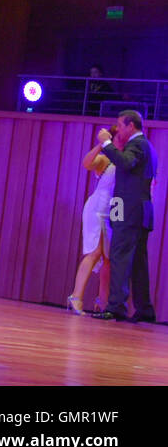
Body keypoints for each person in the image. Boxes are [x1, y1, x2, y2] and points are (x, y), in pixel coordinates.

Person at [92, 110, 157, 323]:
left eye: (120, 125)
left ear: (131, 126)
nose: (117, 128)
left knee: (119, 256)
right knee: (138, 262)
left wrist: (106, 144)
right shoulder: (148, 147)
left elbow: (125, 163)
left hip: (129, 211)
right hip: (136, 210)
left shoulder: (137, 145)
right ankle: (144, 310)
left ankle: (116, 307)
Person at [68, 129, 115, 314]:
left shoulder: (126, 159)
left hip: (114, 208)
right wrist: (101, 144)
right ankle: (76, 297)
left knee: (108, 258)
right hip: (98, 207)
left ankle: (102, 302)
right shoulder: (106, 159)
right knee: (95, 251)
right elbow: (87, 163)